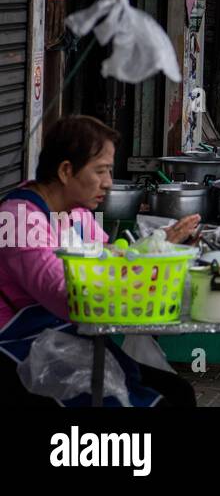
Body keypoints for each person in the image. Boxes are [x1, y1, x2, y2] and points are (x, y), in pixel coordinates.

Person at [0, 116, 199, 406]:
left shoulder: (76, 213)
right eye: (101, 171)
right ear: (66, 171)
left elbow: (111, 257)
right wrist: (144, 269)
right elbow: (67, 295)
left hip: (65, 336)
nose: (107, 182)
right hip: (21, 347)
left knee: (178, 392)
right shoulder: (17, 220)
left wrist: (158, 246)